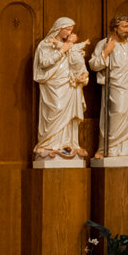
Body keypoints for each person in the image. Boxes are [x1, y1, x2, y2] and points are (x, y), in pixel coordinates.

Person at [33, 17, 89, 160]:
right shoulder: (45, 45)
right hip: (52, 84)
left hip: (68, 84)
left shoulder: (69, 46)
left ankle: (67, 143)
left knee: (69, 116)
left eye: (71, 30)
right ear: (59, 28)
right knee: (56, 108)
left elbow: (76, 64)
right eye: (68, 29)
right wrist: (61, 50)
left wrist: (82, 76)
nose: (70, 33)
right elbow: (44, 63)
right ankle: (48, 144)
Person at [90, 14, 128, 159]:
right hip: (115, 86)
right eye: (124, 26)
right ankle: (108, 148)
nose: (127, 30)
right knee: (117, 112)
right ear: (115, 27)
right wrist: (107, 51)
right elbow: (94, 65)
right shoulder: (104, 43)